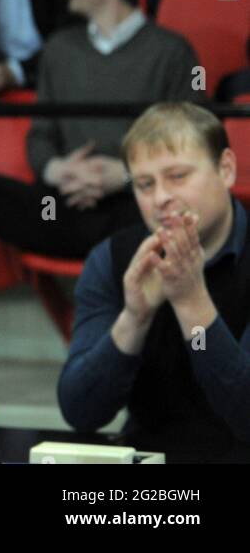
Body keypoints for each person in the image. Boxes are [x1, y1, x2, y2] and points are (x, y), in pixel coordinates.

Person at [0, 0, 205, 259]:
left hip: (138, 211)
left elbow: (193, 145)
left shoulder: (172, 52)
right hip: (61, 208)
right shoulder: (59, 48)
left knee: (169, 217)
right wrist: (58, 169)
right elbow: (40, 136)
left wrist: (127, 176)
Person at [59, 102, 249, 462]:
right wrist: (134, 318)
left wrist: (192, 302)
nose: (161, 197)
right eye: (145, 184)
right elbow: (80, 412)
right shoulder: (113, 258)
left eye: (177, 176)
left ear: (225, 169)